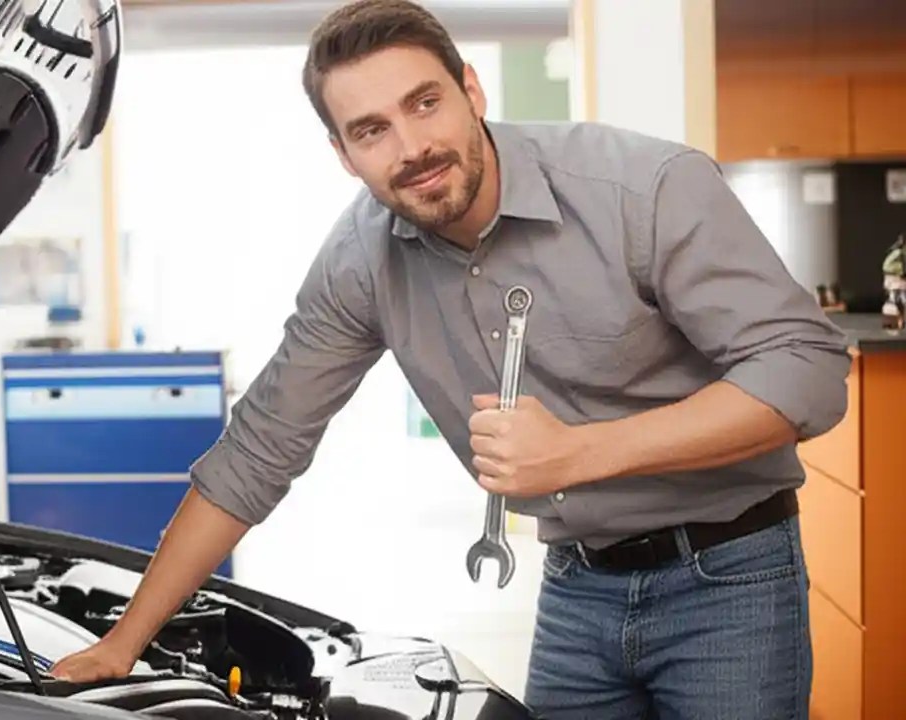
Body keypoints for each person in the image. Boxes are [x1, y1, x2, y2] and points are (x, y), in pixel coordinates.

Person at [50, 0, 852, 717]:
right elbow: (259, 449)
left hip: (728, 577)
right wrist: (123, 643)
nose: (412, 147)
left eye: (424, 103)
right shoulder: (361, 258)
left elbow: (806, 371)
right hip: (576, 586)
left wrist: (584, 450)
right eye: (371, 130)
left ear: (471, 90)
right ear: (343, 154)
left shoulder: (641, 188)